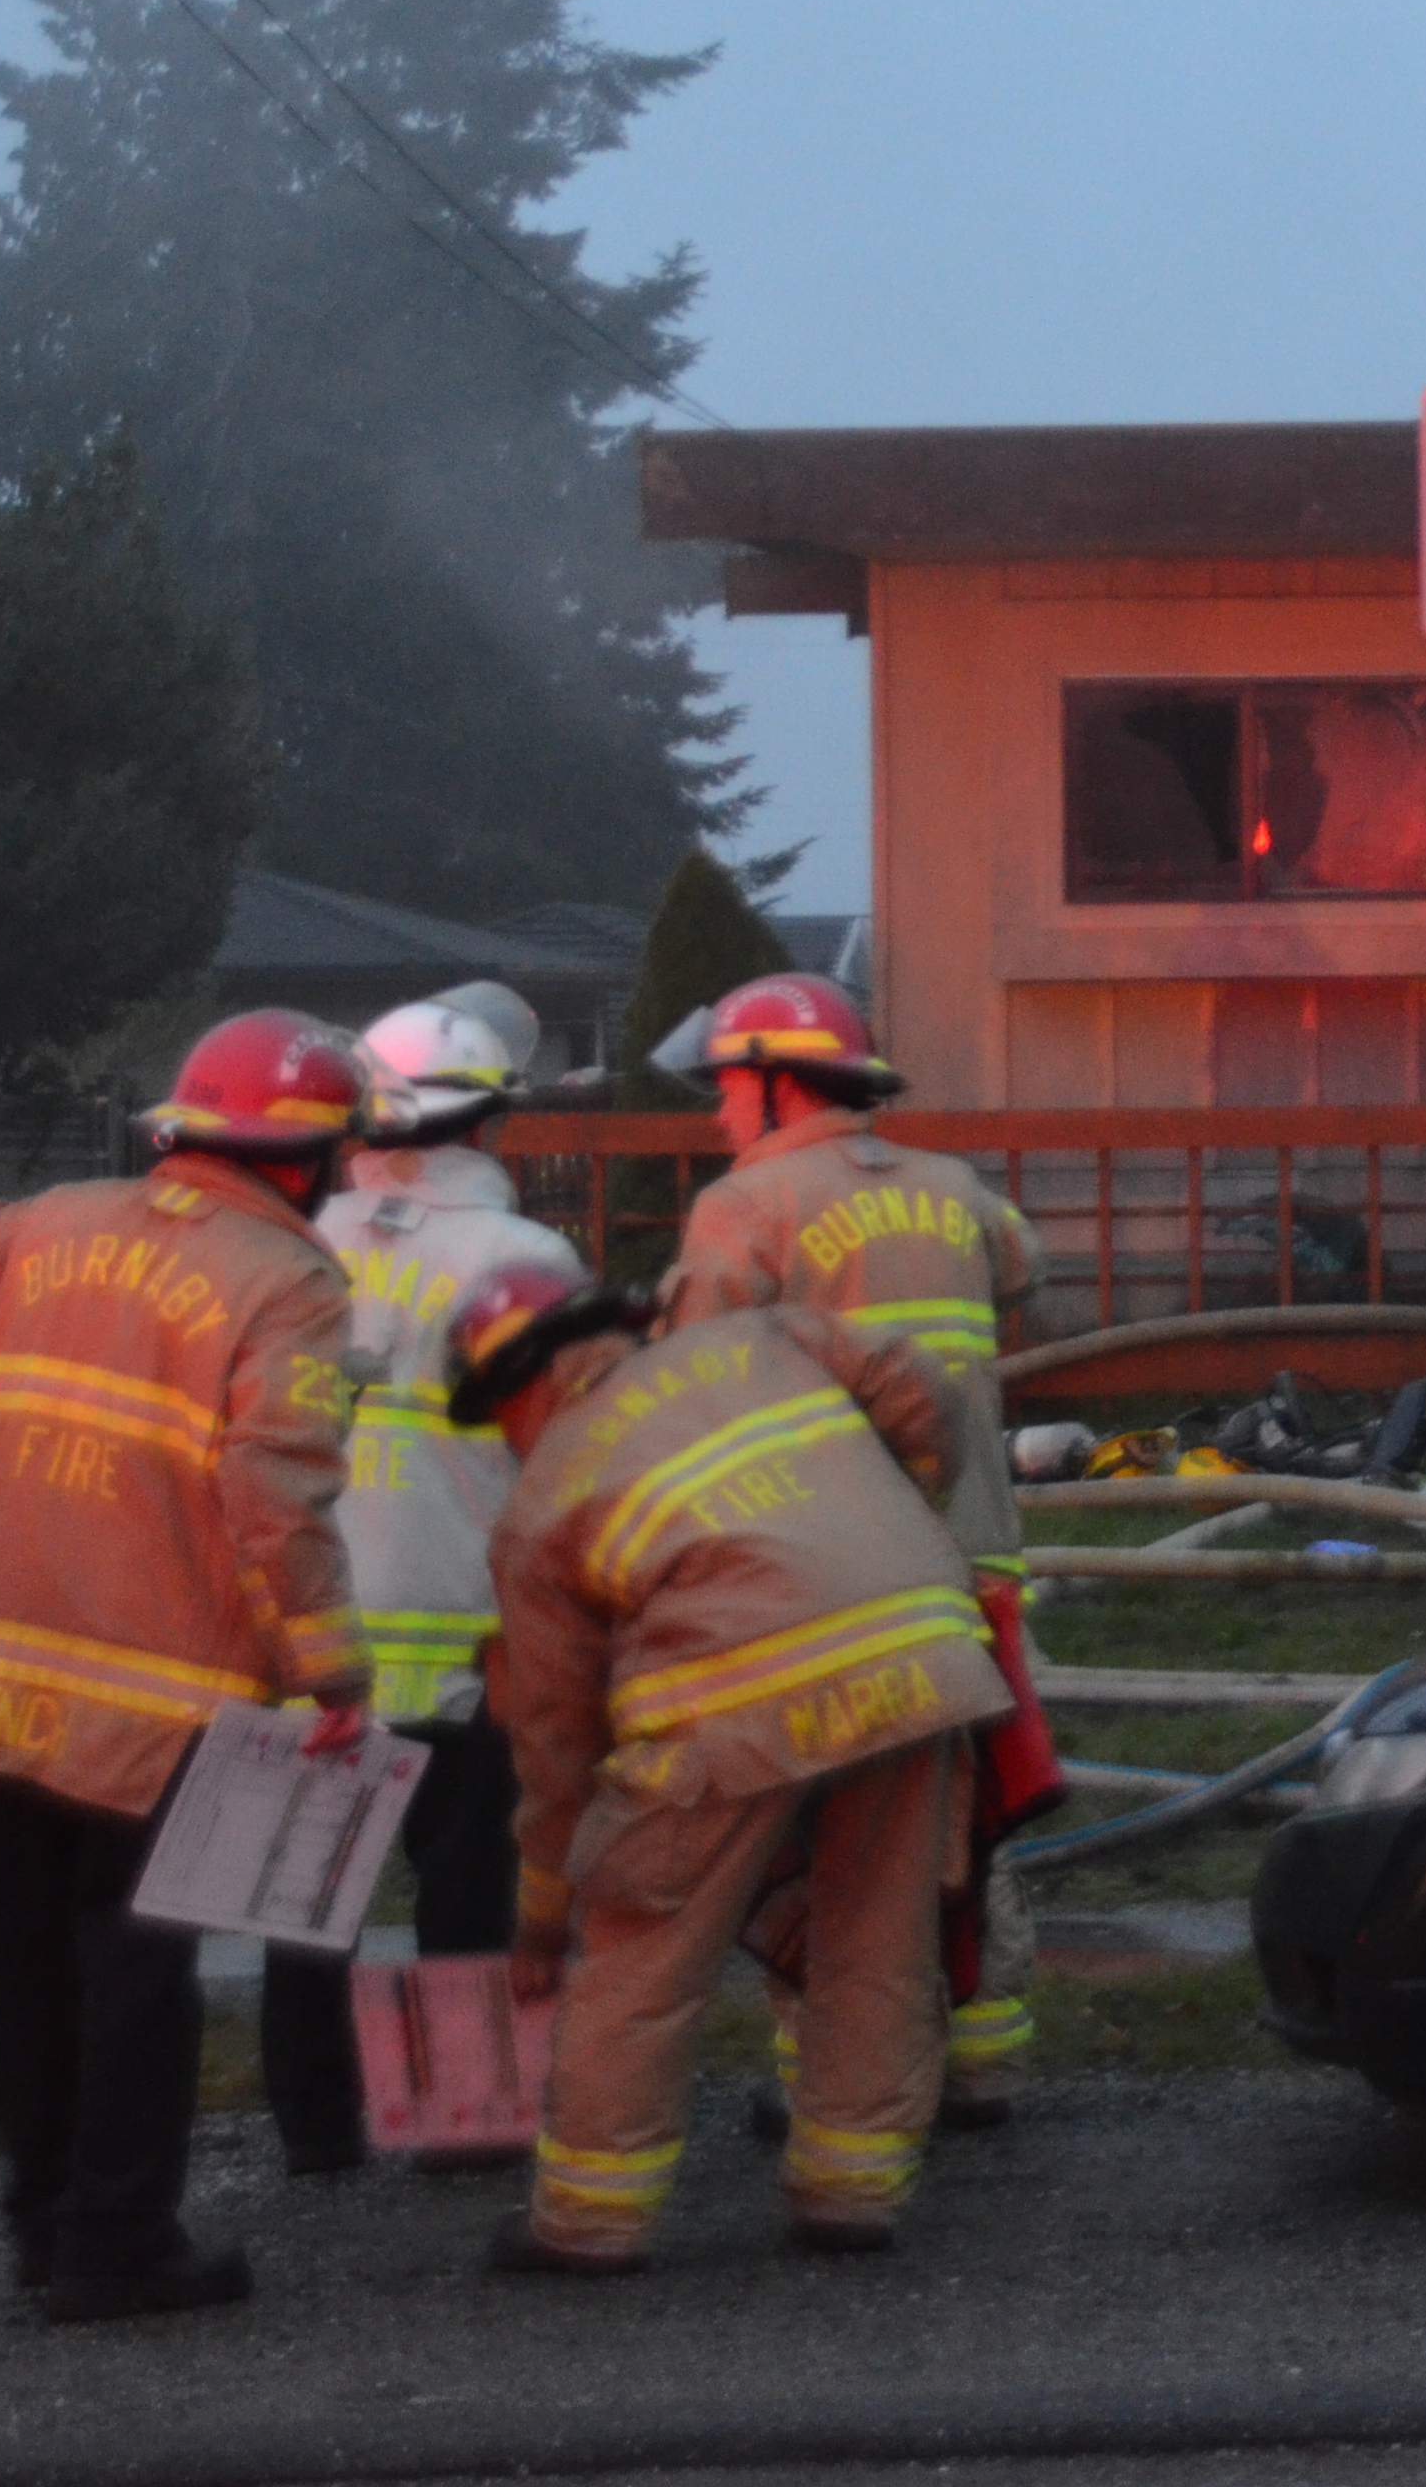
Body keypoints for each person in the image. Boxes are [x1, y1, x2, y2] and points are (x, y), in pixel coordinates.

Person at [0, 1011, 372, 2322]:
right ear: (310, 1158)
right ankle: (118, 2244)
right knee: (138, 1970)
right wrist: (331, 1670)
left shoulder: (53, 1221)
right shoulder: (294, 1286)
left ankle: (38, 2224)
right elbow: (278, 1495)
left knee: (28, 1964)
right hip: (153, 1692)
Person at [454, 1267, 1006, 2274]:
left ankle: (587, 2220)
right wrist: (900, 1498)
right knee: (879, 1931)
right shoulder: (766, 1339)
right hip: (918, 1652)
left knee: (644, 1944)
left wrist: (543, 1912)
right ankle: (850, 2192)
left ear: (516, 1388)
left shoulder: (541, 1507)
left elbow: (557, 1751)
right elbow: (922, 1383)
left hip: (726, 1711)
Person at [654, 971, 1057, 2124]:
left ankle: (835, 2086)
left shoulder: (744, 1207)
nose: (717, 1113)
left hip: (826, 1578)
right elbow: (1030, 1282)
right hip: (973, 1564)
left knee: (824, 1833)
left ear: (779, 1087)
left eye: (727, 1086)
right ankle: (983, 2063)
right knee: (971, 1812)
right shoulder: (957, 1189)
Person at [257, 996, 588, 2179]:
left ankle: (315, 2130)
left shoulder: (287, 1249)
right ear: (492, 1122)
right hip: (474, 1635)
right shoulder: (528, 1263)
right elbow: (569, 1461)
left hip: (311, 1640)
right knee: (468, 1897)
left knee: (304, 1906)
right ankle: (466, 2124)